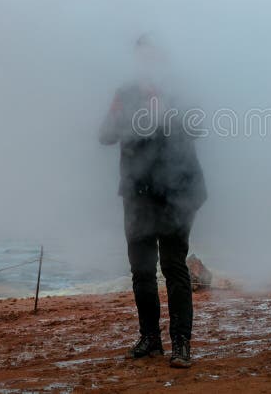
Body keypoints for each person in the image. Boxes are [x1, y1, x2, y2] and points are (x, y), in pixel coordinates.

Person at [99, 34, 207, 368]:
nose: (147, 64)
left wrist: (163, 112)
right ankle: (150, 339)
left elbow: (196, 128)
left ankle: (181, 344)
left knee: (174, 267)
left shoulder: (179, 92)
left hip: (177, 192)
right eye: (141, 57)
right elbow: (105, 136)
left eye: (153, 57)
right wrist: (125, 114)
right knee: (141, 270)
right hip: (137, 192)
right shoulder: (125, 93)